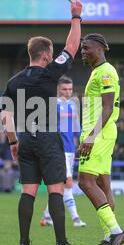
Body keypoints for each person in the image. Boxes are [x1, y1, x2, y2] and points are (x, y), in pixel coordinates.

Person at [0, 0, 83, 245]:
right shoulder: (51, 73)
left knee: (28, 192)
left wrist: (14, 142)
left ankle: (24, 243)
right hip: (49, 139)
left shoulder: (14, 82)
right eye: (51, 52)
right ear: (47, 55)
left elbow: (5, 116)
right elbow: (71, 46)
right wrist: (76, 16)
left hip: (26, 139)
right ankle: (62, 243)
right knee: (56, 191)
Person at [77, 33, 124, 245]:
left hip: (99, 135)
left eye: (86, 48)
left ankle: (117, 232)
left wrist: (90, 136)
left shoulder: (106, 72)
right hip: (102, 134)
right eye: (82, 48)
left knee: (85, 182)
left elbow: (107, 108)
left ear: (100, 48)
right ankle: (109, 236)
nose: (83, 52)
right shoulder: (98, 72)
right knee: (102, 184)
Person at [40, 76, 86, 228]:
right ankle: (76, 219)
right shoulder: (52, 105)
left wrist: (81, 145)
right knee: (68, 183)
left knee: (59, 186)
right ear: (58, 89)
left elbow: (76, 129)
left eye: (70, 89)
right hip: (58, 150)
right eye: (64, 89)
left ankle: (46, 217)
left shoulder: (73, 105)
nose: (68, 92)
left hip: (70, 150)